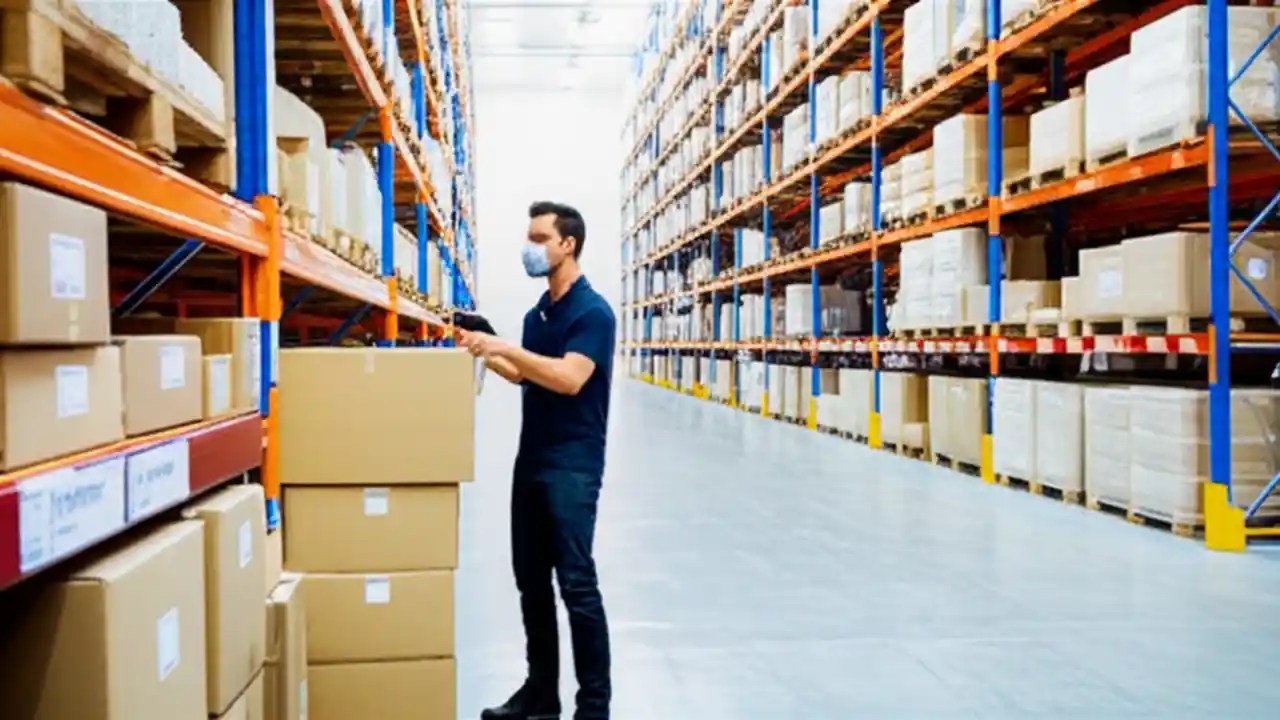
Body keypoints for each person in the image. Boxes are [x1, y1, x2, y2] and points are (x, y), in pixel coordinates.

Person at [458, 201, 615, 720]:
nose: (531, 248)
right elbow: (528, 375)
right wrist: (483, 347)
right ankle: (541, 693)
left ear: (567, 244)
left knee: (575, 582)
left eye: (539, 237)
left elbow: (569, 378)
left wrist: (502, 344)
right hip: (532, 461)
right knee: (530, 580)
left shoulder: (594, 313)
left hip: (573, 464)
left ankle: (593, 706)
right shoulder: (536, 315)